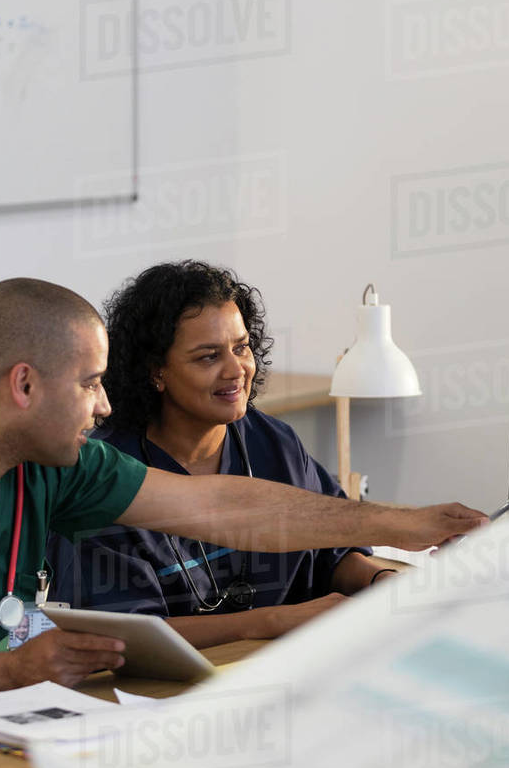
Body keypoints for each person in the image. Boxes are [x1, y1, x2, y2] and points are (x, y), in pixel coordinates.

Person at [0, 277, 486, 712]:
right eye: (90, 384)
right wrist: (6, 670)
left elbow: (220, 506)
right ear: (24, 385)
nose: (104, 405)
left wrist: (402, 524)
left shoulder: (56, 461)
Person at [48, 261, 397, 648]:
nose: (237, 370)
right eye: (208, 357)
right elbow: (125, 635)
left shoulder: (273, 441)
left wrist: (381, 580)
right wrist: (267, 622)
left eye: (241, 348)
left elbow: (334, 551)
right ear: (156, 372)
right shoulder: (104, 477)